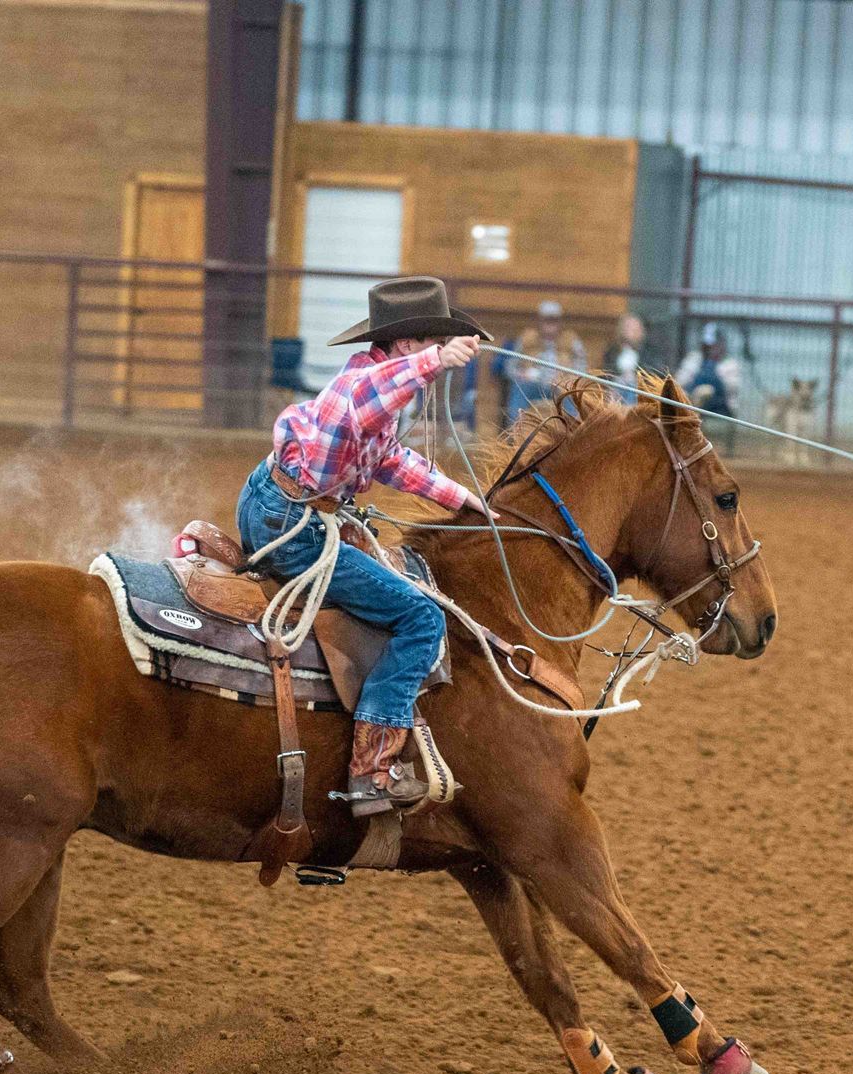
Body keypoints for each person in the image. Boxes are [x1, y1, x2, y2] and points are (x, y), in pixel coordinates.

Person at [235, 276, 491, 816]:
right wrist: (438, 361)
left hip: (275, 502)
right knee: (422, 618)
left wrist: (462, 497)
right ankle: (370, 772)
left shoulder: (374, 389)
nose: (433, 353)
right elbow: (364, 401)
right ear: (405, 345)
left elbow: (390, 457)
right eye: (428, 340)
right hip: (292, 526)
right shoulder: (363, 387)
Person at [501, 299, 588, 424]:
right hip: (532, 384)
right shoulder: (527, 339)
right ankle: (514, 430)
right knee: (519, 388)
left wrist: (569, 378)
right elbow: (509, 366)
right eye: (547, 320)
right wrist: (521, 374)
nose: (550, 324)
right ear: (540, 320)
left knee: (571, 393)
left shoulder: (571, 340)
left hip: (560, 385)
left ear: (559, 322)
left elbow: (582, 367)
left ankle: (573, 431)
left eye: (554, 320)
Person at [675, 322, 742, 420]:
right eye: (706, 346)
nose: (710, 350)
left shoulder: (730, 364)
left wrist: (715, 374)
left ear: (722, 345)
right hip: (692, 410)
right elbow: (679, 382)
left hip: (720, 413)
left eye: (714, 346)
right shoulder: (694, 359)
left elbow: (732, 387)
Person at [603, 312, 648, 402]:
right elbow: (606, 371)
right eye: (628, 327)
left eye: (635, 328)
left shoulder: (648, 352)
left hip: (639, 388)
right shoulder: (612, 350)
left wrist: (633, 376)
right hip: (615, 387)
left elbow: (652, 371)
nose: (631, 332)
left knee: (630, 385)